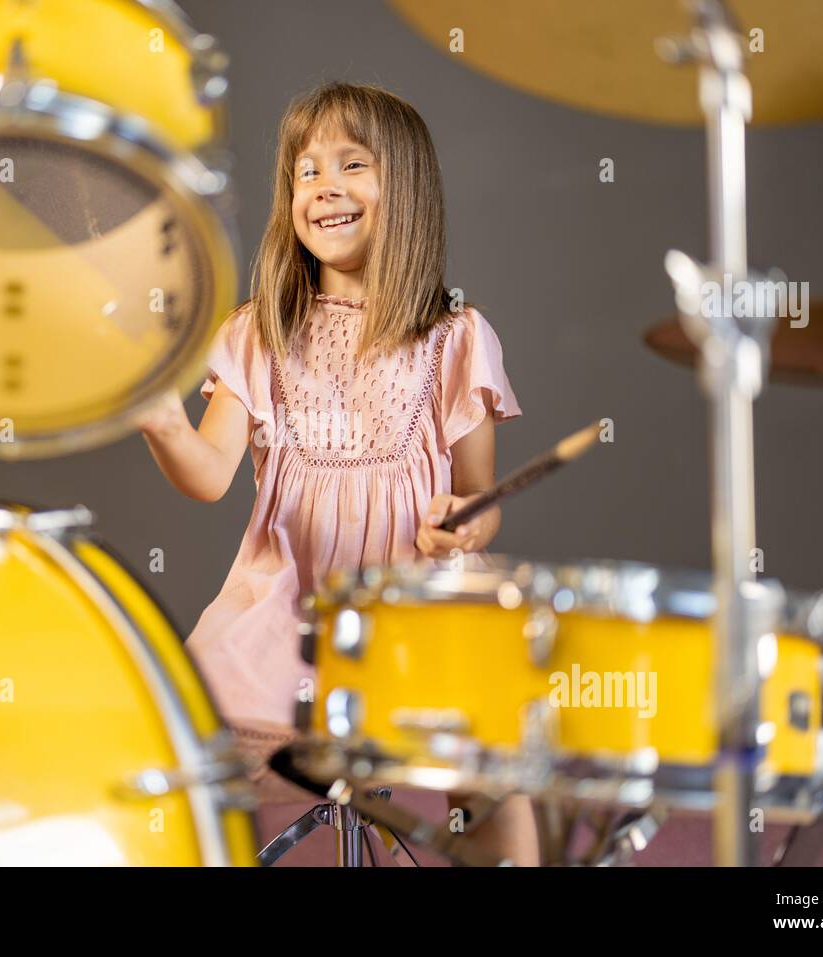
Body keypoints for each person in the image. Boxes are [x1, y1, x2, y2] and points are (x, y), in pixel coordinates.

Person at [136, 80, 537, 866]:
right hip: (286, 609)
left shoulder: (455, 336)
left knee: (495, 764)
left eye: (352, 165)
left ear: (407, 188)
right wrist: (161, 421)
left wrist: (462, 520)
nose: (324, 187)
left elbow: (482, 499)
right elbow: (209, 474)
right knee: (176, 741)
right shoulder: (257, 333)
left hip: (417, 610)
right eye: (306, 172)